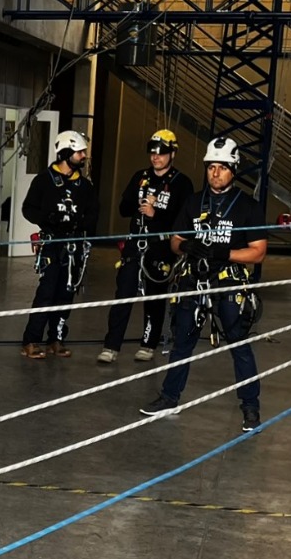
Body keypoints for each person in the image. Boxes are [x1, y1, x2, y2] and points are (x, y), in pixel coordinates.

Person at [141, 136, 267, 432]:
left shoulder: (247, 207)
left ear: (233, 170)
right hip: (194, 280)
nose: (216, 173)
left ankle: (250, 407)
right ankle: (170, 398)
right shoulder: (194, 202)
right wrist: (186, 247)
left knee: (239, 345)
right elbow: (175, 241)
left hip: (228, 283)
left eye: (222, 167)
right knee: (182, 343)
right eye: (211, 167)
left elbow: (258, 252)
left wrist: (226, 253)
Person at [98, 128, 194, 364]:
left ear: (172, 154)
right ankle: (111, 346)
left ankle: (148, 344)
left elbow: (184, 221)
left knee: (154, 297)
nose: (156, 157)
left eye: (161, 153)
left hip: (160, 246)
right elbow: (123, 209)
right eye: (152, 152)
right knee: (123, 294)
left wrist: (155, 213)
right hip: (135, 243)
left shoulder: (181, 183)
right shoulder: (140, 177)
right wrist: (138, 201)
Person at [21, 129, 99, 358]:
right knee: (46, 292)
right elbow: (28, 209)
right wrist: (48, 219)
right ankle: (31, 340)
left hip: (74, 246)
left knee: (66, 293)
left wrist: (79, 224)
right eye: (79, 152)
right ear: (65, 153)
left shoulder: (85, 186)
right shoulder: (44, 180)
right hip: (52, 244)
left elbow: (93, 215)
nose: (83, 156)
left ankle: (56, 338)